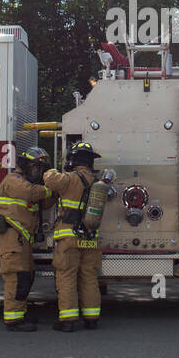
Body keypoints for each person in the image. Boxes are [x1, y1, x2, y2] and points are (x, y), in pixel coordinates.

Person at [42, 141, 104, 332]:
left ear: (73, 159)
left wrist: (49, 168)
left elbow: (49, 180)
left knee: (67, 276)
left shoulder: (68, 178)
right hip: (91, 238)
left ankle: (67, 320)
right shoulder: (96, 181)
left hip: (69, 237)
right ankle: (91, 318)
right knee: (89, 277)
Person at [0, 146, 51, 332]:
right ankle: (14, 320)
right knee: (17, 278)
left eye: (41, 169)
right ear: (25, 164)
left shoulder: (28, 183)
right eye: (35, 167)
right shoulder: (14, 180)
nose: (38, 171)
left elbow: (45, 202)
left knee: (26, 277)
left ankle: (20, 312)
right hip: (12, 237)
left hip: (22, 239)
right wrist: (51, 188)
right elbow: (32, 193)